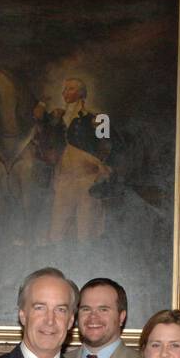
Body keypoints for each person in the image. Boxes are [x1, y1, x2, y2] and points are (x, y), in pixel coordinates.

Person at [36, 78, 112, 245]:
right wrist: (42, 103)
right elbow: (39, 121)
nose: (65, 93)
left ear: (81, 93)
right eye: (64, 89)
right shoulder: (58, 116)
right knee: (58, 225)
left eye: (70, 89)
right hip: (64, 177)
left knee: (86, 226)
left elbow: (106, 145)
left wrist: (101, 172)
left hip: (87, 177)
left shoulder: (98, 117)